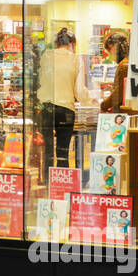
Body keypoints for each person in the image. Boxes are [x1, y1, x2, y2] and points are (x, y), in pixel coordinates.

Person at [38, 27, 82, 170]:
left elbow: (40, 81)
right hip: (66, 109)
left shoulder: (46, 56)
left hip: (46, 107)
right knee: (63, 151)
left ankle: (46, 182)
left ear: (56, 43)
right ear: (73, 44)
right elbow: (79, 90)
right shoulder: (75, 59)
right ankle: (62, 184)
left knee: (47, 151)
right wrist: (90, 101)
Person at [100, 31, 131, 113]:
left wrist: (104, 105)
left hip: (123, 113)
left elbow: (119, 93)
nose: (111, 54)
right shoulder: (128, 61)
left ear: (115, 46)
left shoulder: (124, 65)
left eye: (110, 50)